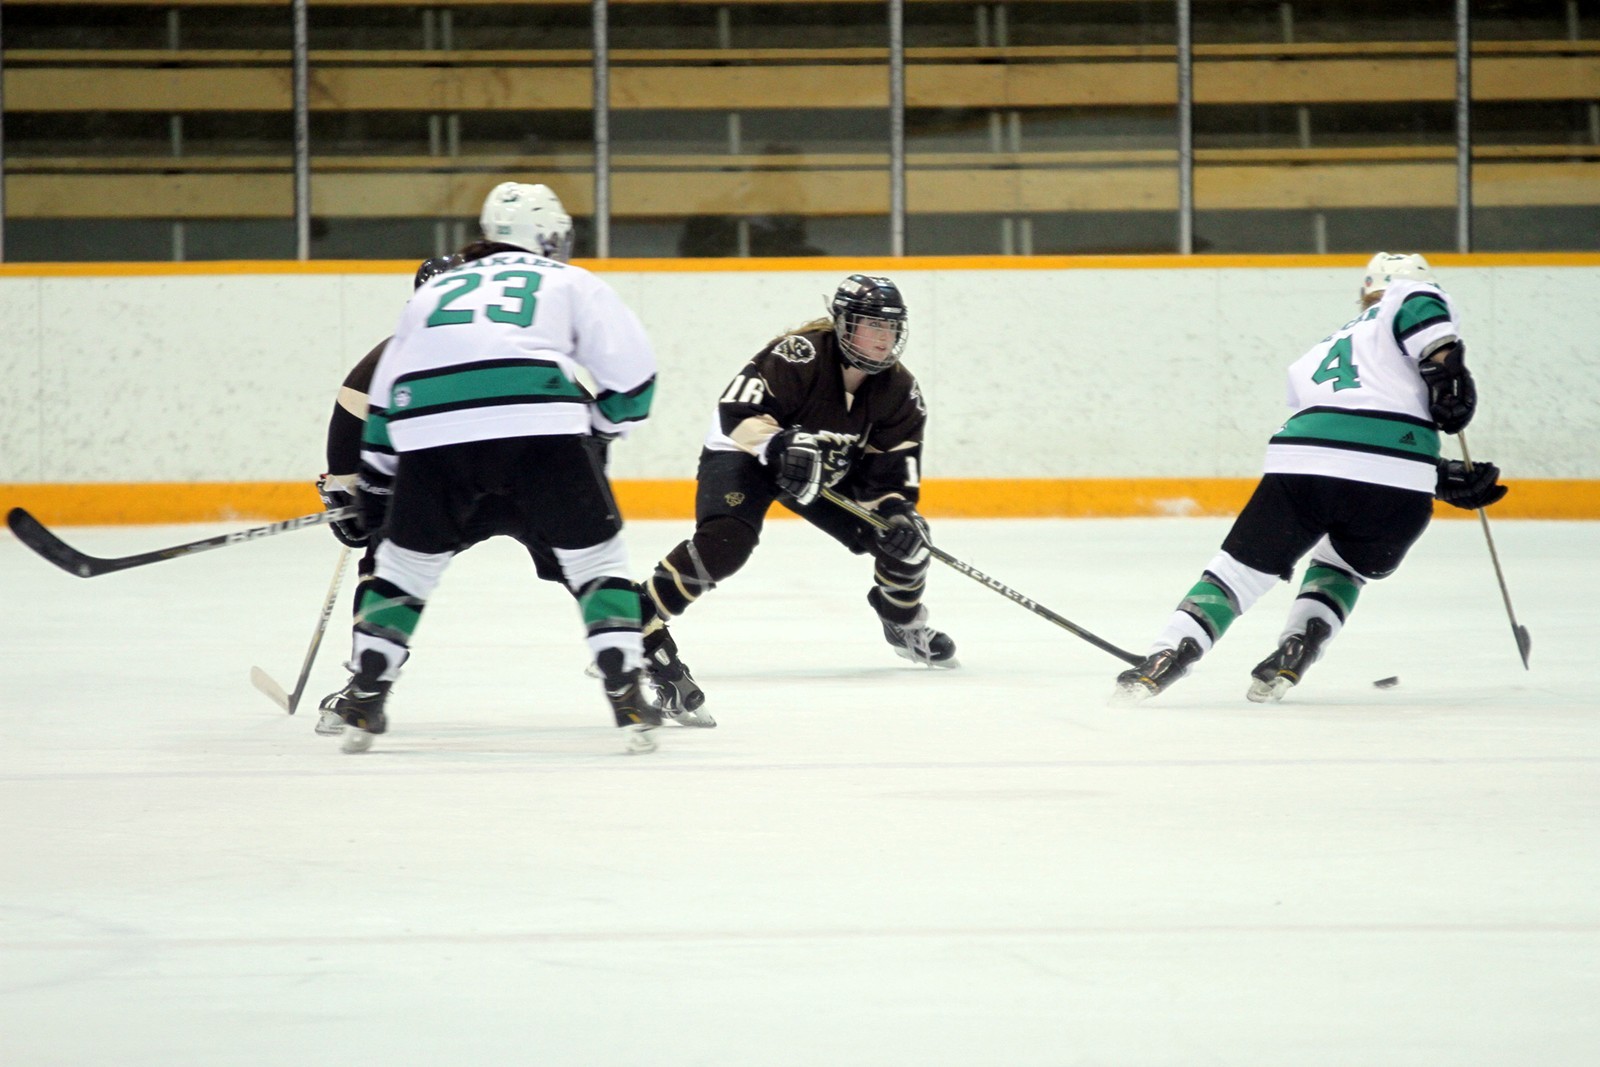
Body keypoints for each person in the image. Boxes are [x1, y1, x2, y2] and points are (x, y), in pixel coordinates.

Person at [319, 180, 666, 754]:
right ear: (550, 238)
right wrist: (598, 427)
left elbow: (383, 400)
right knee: (596, 560)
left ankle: (365, 695)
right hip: (539, 427)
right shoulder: (569, 280)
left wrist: (377, 485)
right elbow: (634, 384)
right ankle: (626, 693)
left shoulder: (434, 293)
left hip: (433, 437)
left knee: (404, 568)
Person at [1113, 252, 1508, 704]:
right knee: (1344, 565)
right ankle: (1299, 646)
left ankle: (1166, 657)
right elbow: (1422, 331)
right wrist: (1434, 437)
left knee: (1238, 573)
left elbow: (1344, 429)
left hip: (1303, 467)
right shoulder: (1413, 294)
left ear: (1365, 294)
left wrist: (1431, 468)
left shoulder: (1327, 344)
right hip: (1397, 484)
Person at [636, 273, 957, 724]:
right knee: (725, 542)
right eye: (872, 326)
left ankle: (902, 621)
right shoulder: (799, 355)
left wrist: (897, 514)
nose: (883, 339)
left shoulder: (900, 392)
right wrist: (777, 444)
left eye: (890, 328)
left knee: (905, 540)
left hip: (821, 472)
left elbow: (889, 481)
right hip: (748, 453)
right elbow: (736, 412)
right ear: (844, 323)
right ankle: (637, 619)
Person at [312, 253, 577, 737]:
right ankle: (662, 666)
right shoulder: (526, 347)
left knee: (388, 565)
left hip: (446, 491)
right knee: (590, 568)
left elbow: (350, 426)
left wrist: (351, 492)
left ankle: (367, 688)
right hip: (527, 487)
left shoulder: (391, 357)